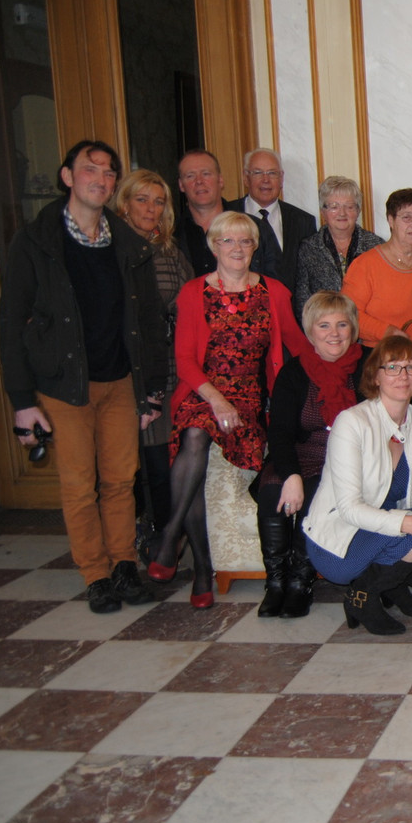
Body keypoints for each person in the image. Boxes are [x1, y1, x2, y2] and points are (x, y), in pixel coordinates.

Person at [0, 139, 167, 614]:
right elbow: (11, 322)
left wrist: (150, 389)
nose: (101, 178)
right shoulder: (36, 242)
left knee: (119, 480)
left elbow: (150, 321)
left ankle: (123, 565)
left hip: (120, 382)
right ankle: (94, 573)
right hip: (64, 384)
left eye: (109, 172)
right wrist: (21, 399)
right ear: (68, 177)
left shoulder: (129, 244)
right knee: (78, 484)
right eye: (90, 169)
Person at [146, 211, 310, 608]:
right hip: (201, 394)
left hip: (249, 401)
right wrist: (216, 399)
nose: (237, 248)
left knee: (194, 446)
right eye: (228, 241)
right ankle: (193, 559)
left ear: (255, 247)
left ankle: (178, 548)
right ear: (213, 245)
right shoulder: (192, 292)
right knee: (196, 434)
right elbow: (184, 359)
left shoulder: (273, 292)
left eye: (245, 241)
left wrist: (338, 367)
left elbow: (300, 346)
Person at [304, 336, 412, 635]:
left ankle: (392, 585)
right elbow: (348, 508)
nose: (403, 376)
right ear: (375, 375)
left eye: (411, 367)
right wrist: (411, 522)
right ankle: (363, 596)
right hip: (341, 538)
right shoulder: (352, 422)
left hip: (388, 530)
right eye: (393, 367)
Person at [250, 291, 366, 619]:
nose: (334, 333)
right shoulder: (294, 373)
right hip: (298, 456)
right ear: (310, 331)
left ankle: (301, 582)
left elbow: (400, 402)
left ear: (353, 328)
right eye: (324, 325)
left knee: (318, 495)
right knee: (272, 489)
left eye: (342, 324)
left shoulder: (368, 365)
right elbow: (281, 433)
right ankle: (276, 583)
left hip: (345, 462)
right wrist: (292, 476)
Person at [114, 168, 195, 530]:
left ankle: (163, 539)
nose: (151, 209)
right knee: (124, 466)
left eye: (159, 201)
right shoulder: (110, 251)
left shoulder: (170, 253)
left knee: (163, 465)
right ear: (125, 204)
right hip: (125, 371)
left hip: (169, 371)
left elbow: (191, 310)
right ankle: (128, 539)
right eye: (142, 199)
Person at [341, 188, 412, 349]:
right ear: (391, 220)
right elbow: (347, 315)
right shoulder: (365, 265)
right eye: (406, 218)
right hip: (387, 363)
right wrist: (387, 332)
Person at [292, 175, 385, 318]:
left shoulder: (376, 245)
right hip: (323, 331)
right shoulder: (309, 248)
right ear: (323, 212)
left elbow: (383, 296)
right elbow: (302, 300)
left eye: (349, 206)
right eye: (334, 207)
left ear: (358, 210)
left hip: (367, 330)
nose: (342, 213)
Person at [225, 147, 317, 287]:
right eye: (258, 173)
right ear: (245, 178)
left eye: (272, 173)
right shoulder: (226, 216)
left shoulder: (303, 221)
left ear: (281, 179)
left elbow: (309, 278)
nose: (265, 179)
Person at [174, 149, 226, 275]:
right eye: (190, 176)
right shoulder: (171, 235)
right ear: (181, 185)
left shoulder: (252, 227)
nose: (199, 181)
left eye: (206, 174)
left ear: (220, 180)